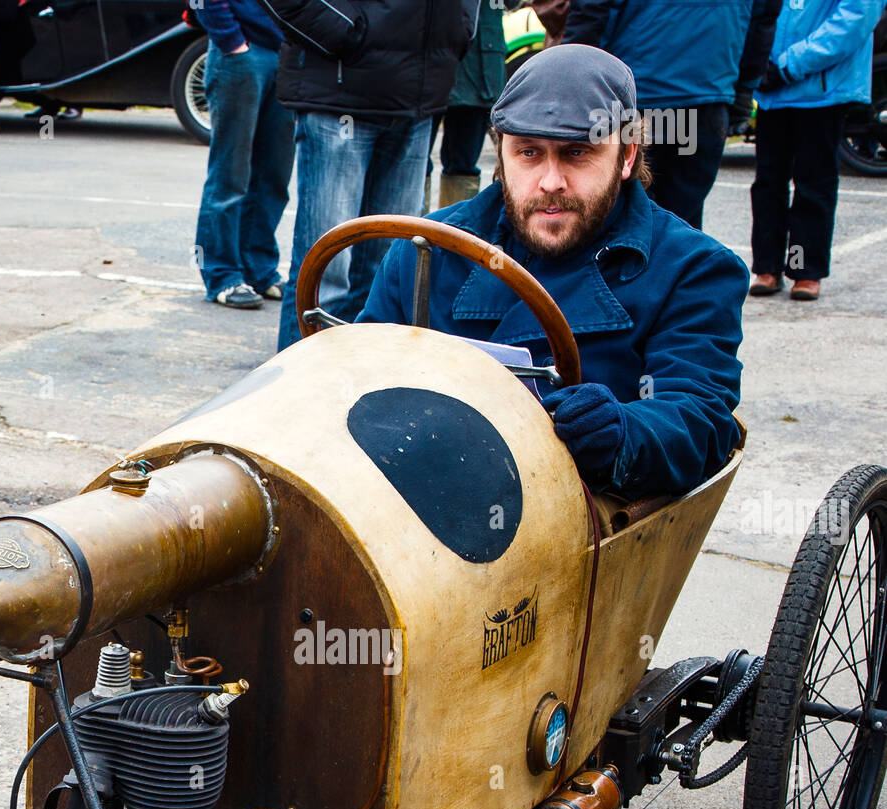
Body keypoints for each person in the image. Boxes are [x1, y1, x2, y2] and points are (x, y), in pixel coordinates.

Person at [358, 44, 750, 501]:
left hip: (576, 526)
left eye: (577, 153)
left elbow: (699, 417)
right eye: (528, 153)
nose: (550, 182)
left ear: (626, 157)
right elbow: (359, 370)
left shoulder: (693, 269)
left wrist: (624, 433)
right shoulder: (427, 248)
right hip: (410, 502)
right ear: (500, 154)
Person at [258, 0, 480, 350]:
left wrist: (459, 28)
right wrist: (343, 31)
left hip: (419, 95)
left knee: (387, 275)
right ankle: (300, 399)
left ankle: (356, 397)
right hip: (341, 91)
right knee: (325, 278)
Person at [562, 0, 782, 230]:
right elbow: (763, 20)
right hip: (706, 94)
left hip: (637, 94)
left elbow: (592, 12)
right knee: (682, 223)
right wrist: (744, 90)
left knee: (618, 217)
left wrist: (571, 88)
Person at [749, 0, 883, 302]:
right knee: (768, 183)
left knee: (812, 184)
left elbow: (853, 19)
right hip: (773, 87)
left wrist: (787, 65)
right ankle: (767, 267)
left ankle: (803, 269)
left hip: (821, 89)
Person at [191, 0, 295, 309]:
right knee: (230, 176)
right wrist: (232, 42)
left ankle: (260, 269)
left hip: (285, 55)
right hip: (241, 53)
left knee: (274, 174)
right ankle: (222, 275)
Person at [432, 0, 524, 210]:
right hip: (433, 61)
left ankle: (453, 235)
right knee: (415, 163)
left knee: (463, 165)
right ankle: (411, 233)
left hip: (481, 65)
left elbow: (512, 3)